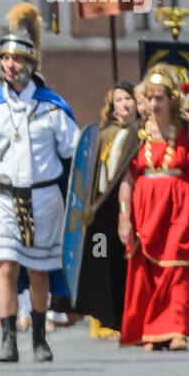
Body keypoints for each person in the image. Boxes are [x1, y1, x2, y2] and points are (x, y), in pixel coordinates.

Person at [0, 4, 79, 363]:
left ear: (30, 64)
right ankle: (8, 341)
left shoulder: (52, 108)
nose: (10, 66)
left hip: (44, 197)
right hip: (1, 197)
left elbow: (75, 153)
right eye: (5, 59)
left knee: (38, 270)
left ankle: (38, 337)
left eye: (17, 59)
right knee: (5, 266)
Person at [116, 67, 189, 350]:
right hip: (145, 211)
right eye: (151, 98)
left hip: (181, 208)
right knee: (148, 271)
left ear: (171, 99)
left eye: (160, 98)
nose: (155, 104)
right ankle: (152, 332)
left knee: (178, 269)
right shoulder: (137, 133)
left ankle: (177, 330)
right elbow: (126, 177)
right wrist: (124, 215)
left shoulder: (186, 132)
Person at [76, 83, 140, 341]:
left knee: (123, 265)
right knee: (100, 260)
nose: (124, 103)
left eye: (128, 98)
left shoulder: (141, 133)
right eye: (118, 99)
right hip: (100, 213)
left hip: (126, 208)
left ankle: (123, 319)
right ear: (112, 107)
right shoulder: (103, 133)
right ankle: (101, 320)